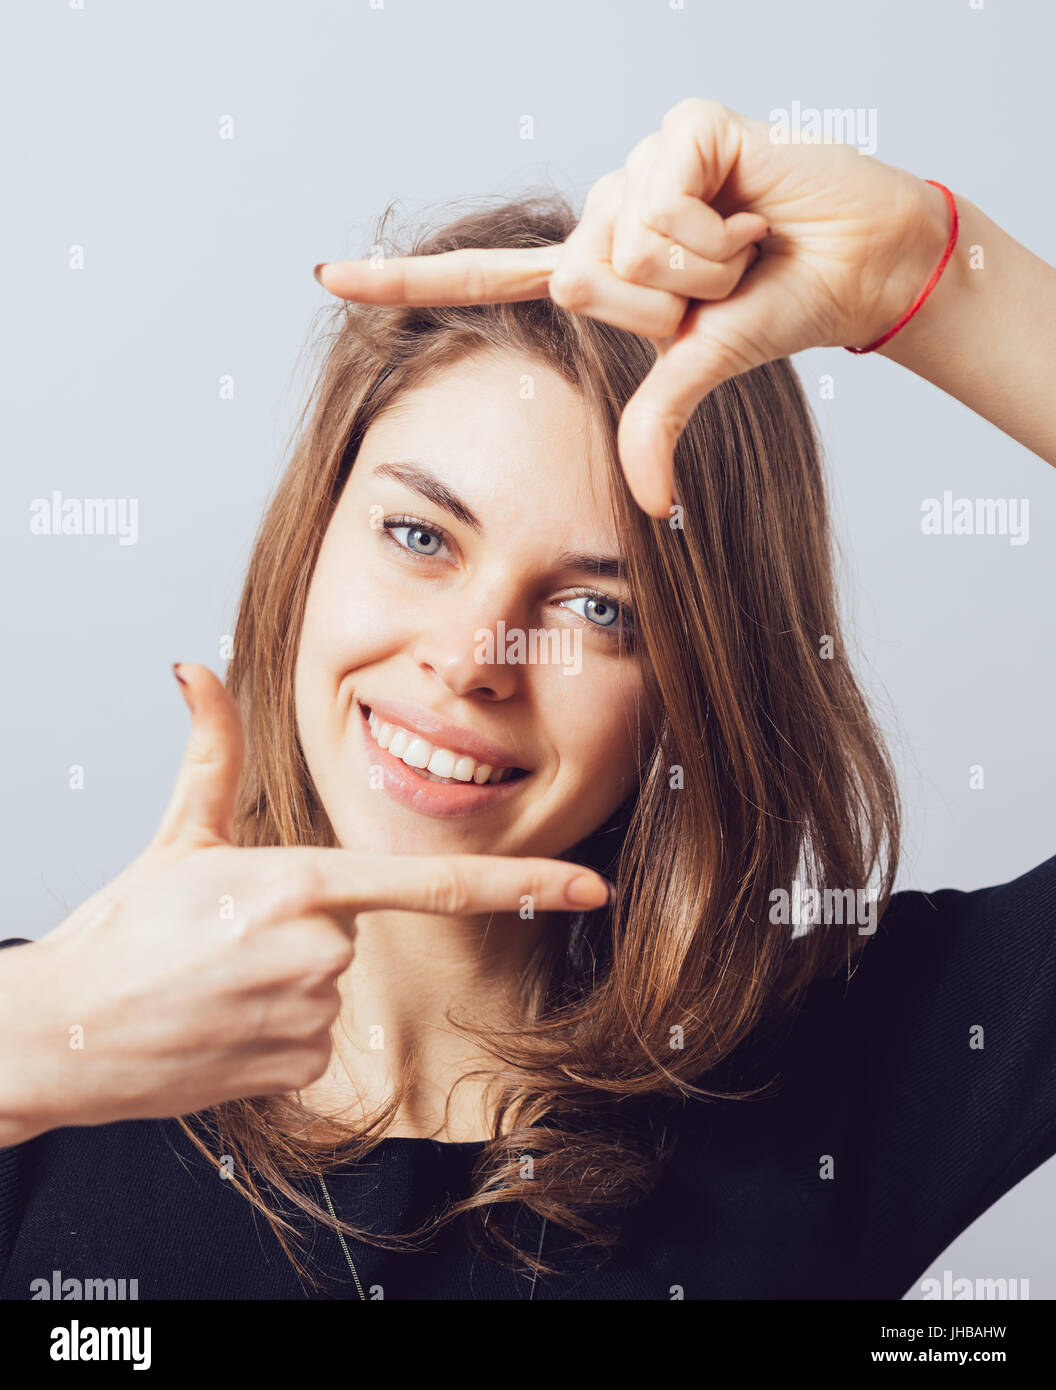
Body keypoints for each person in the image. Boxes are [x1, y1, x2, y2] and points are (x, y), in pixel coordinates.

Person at [1, 99, 1054, 1301]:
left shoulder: (850, 1071)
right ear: (309, 552)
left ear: (694, 691)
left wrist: (927, 273)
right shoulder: (37, 1060)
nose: (471, 658)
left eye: (600, 609)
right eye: (418, 534)